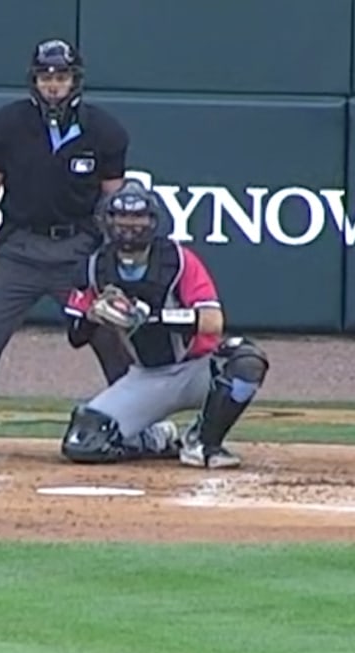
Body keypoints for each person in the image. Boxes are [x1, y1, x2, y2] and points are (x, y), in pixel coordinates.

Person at [0, 37, 134, 457]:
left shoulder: (105, 130)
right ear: (34, 80)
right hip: (19, 249)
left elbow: (113, 205)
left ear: (75, 80)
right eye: (46, 76)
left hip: (77, 250)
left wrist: (107, 267)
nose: (54, 85)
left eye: (62, 77)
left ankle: (143, 425)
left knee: (110, 334)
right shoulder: (6, 125)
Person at [58, 178, 269, 469]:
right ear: (108, 220)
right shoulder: (95, 267)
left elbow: (212, 322)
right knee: (84, 442)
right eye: (122, 216)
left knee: (246, 360)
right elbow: (75, 336)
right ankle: (154, 438)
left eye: (138, 217)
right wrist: (94, 316)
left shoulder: (179, 260)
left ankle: (203, 441)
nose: (129, 225)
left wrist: (151, 318)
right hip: (148, 376)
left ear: (152, 221)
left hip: (197, 369)